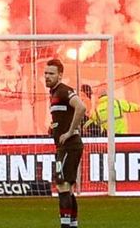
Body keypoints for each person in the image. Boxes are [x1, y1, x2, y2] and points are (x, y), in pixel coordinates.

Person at [44, 58, 87, 228]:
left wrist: (69, 131)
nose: (47, 76)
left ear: (60, 76)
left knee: (62, 184)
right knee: (66, 186)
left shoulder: (63, 91)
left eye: (51, 74)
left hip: (70, 145)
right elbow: (64, 114)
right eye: (46, 73)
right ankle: (73, 225)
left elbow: (81, 107)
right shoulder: (54, 93)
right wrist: (53, 127)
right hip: (64, 146)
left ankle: (66, 226)